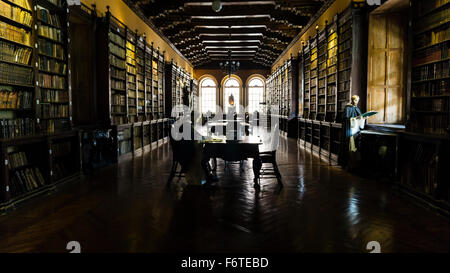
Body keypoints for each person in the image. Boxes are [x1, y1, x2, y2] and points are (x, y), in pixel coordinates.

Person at [342, 95, 367, 169]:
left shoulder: (356, 108)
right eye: (355, 100)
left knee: (355, 145)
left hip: (356, 129)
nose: (357, 102)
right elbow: (347, 118)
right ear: (352, 100)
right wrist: (355, 118)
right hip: (349, 128)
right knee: (349, 144)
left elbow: (360, 116)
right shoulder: (347, 108)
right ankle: (347, 163)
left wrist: (363, 117)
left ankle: (354, 163)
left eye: (357, 100)